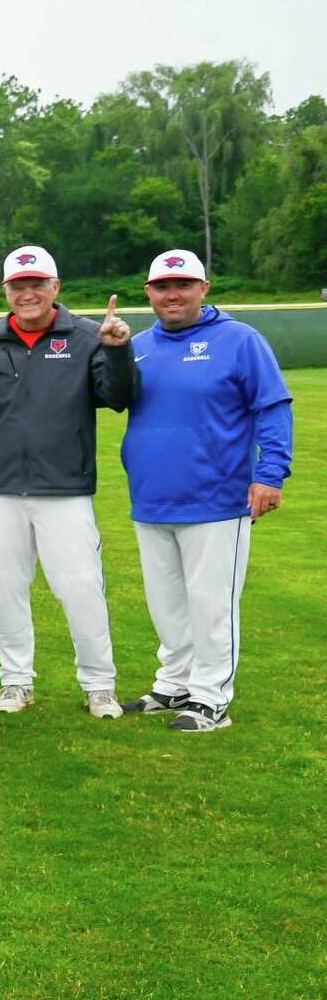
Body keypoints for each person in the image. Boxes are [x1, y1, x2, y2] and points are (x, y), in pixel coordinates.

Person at [0, 246, 133, 719]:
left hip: (64, 486)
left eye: (37, 284)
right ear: (6, 291)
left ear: (56, 287)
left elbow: (117, 397)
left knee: (80, 586)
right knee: (6, 587)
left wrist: (116, 351)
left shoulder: (89, 335)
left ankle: (99, 684)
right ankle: (15, 681)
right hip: (2, 486)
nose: (27, 293)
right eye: (17, 285)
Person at [120, 249, 293, 732]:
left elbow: (273, 406)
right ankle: (174, 682)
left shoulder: (240, 340)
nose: (172, 294)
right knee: (167, 603)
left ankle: (211, 697)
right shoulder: (138, 346)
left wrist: (271, 473)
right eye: (162, 287)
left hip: (217, 498)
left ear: (204, 288)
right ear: (149, 292)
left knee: (212, 603)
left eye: (184, 285)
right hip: (152, 496)